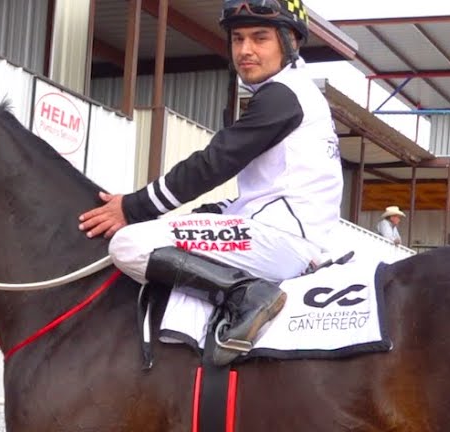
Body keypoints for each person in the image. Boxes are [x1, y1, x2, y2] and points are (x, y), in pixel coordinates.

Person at [78, 0, 343, 366]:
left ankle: (248, 297)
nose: (245, 50)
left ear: (291, 41)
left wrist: (132, 207)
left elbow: (213, 163)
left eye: (260, 38)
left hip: (284, 240)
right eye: (237, 39)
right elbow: (264, 191)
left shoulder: (284, 94)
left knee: (129, 244)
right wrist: (203, 212)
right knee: (169, 231)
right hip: (286, 234)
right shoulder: (295, 94)